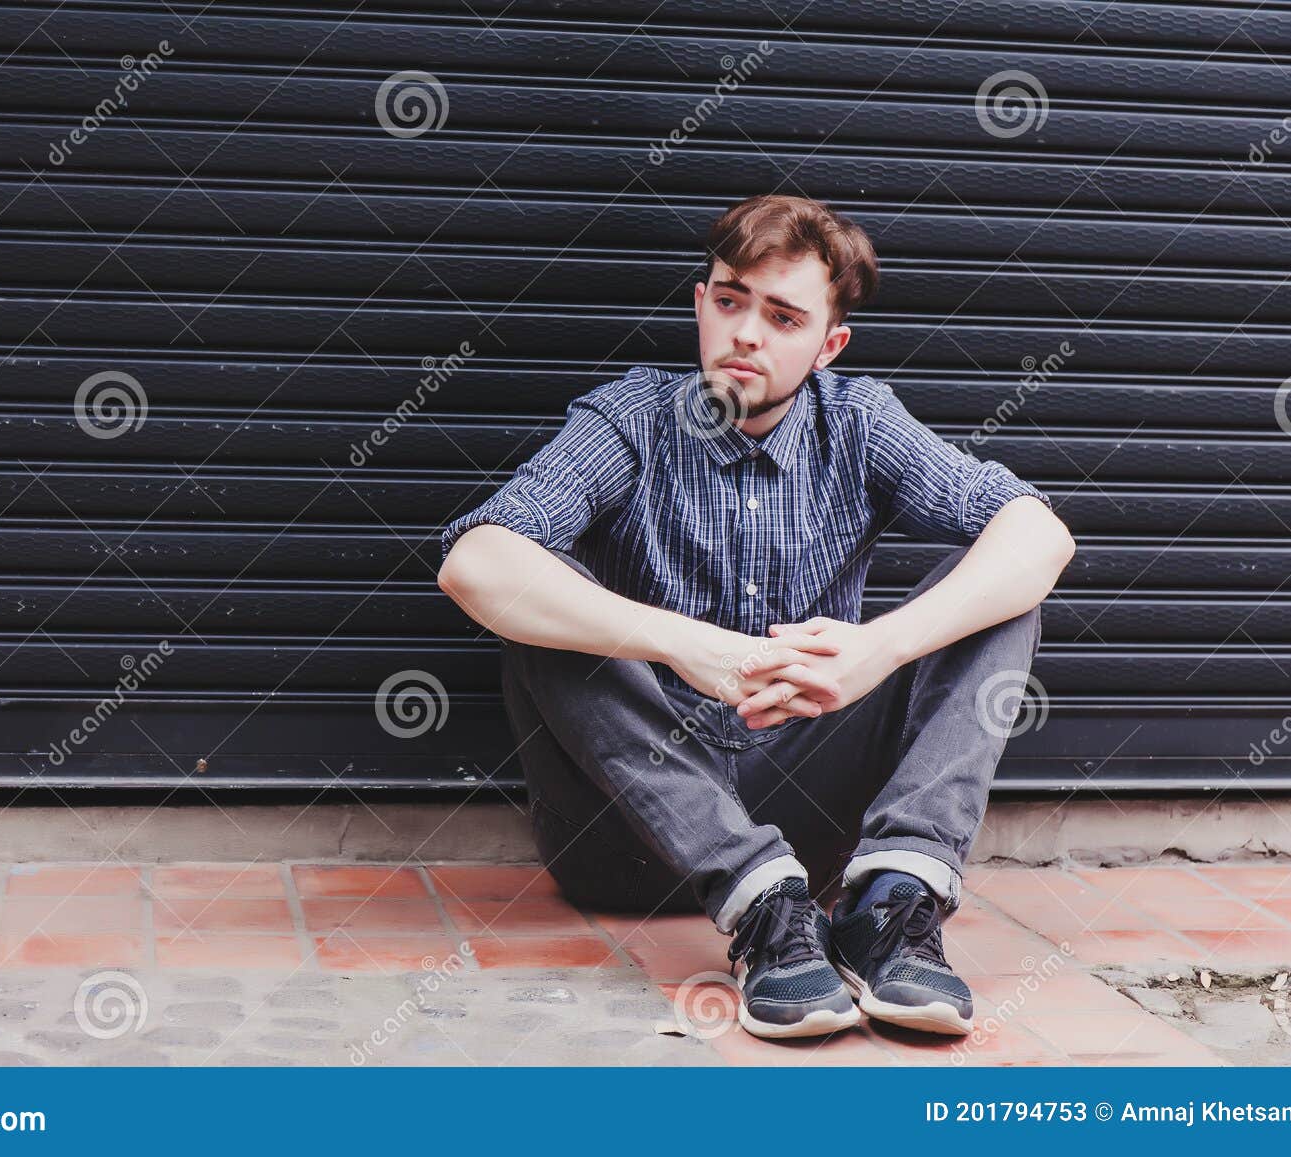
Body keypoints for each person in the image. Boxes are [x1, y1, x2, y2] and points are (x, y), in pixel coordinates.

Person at [436, 193, 1075, 1041]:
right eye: (731, 301)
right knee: (535, 590)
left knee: (997, 592)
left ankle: (890, 906)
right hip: (627, 837)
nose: (746, 334)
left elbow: (1040, 532)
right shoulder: (631, 421)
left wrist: (879, 649)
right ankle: (760, 904)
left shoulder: (859, 422)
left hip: (811, 833)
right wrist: (687, 646)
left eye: (783, 317)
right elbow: (473, 561)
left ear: (828, 344)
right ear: (701, 304)